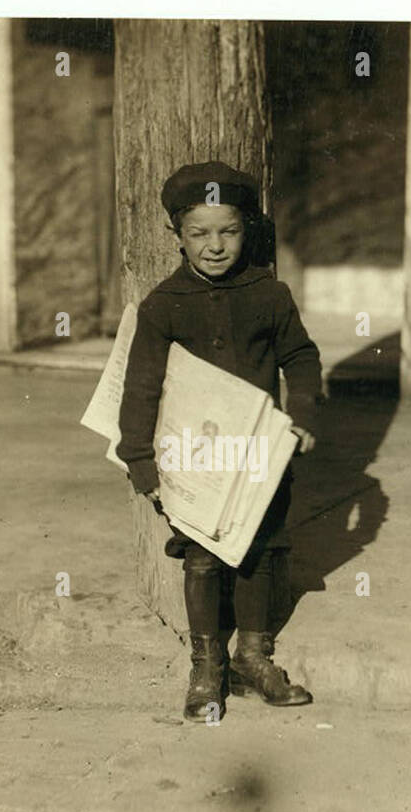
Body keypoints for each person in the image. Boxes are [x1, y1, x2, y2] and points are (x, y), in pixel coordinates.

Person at [116, 161, 325, 722]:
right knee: (204, 557)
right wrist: (140, 460)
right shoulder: (162, 306)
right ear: (177, 236)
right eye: (199, 233)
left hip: (259, 453)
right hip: (196, 460)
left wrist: (302, 412)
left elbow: (300, 358)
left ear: (247, 229)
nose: (214, 246)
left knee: (258, 549)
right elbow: (140, 387)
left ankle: (253, 658)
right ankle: (207, 665)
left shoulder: (269, 294)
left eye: (228, 231)